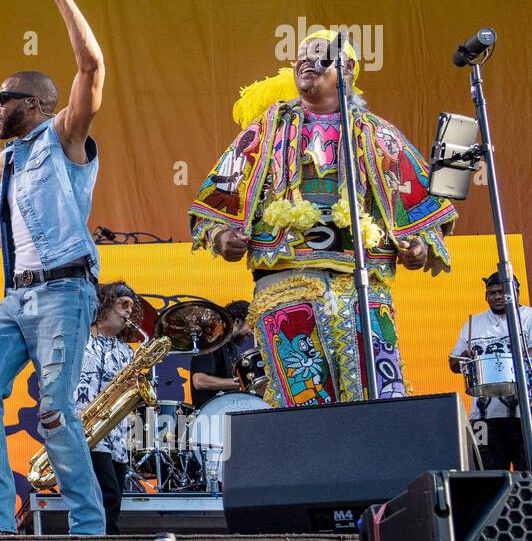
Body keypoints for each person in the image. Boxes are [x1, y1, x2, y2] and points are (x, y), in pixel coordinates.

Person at [189, 31, 457, 407]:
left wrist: (419, 247)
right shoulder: (268, 128)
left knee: (379, 398)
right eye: (301, 54)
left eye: (319, 54)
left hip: (361, 283)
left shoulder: (375, 132)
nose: (305, 60)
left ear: (345, 70)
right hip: (287, 281)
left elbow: (422, 205)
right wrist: (221, 237)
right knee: (305, 403)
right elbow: (217, 195)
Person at [0, 0, 109, 535]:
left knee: (56, 412)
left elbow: (91, 64)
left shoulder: (64, 136)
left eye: (4, 97)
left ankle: (89, 531)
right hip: (17, 299)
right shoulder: (13, 157)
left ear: (37, 104)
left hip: (65, 292)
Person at [449, 272, 532, 471]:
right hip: (483, 417)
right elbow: (453, 363)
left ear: (515, 292)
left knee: (527, 472)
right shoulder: (472, 324)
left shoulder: (529, 317)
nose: (496, 296)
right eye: (491, 293)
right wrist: (463, 356)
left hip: (525, 413)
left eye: (501, 292)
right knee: (487, 475)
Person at [75, 281, 141, 533]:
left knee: (114, 496)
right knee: (106, 492)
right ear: (103, 306)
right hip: (85, 427)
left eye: (131, 307)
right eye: (122, 304)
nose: (127, 311)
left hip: (117, 433)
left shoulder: (126, 351)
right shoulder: (78, 339)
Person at [189, 300, 253, 408]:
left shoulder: (231, 347)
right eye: (251, 325)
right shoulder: (211, 340)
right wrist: (242, 382)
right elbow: (199, 381)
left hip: (224, 412)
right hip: (209, 416)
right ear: (237, 322)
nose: (252, 333)